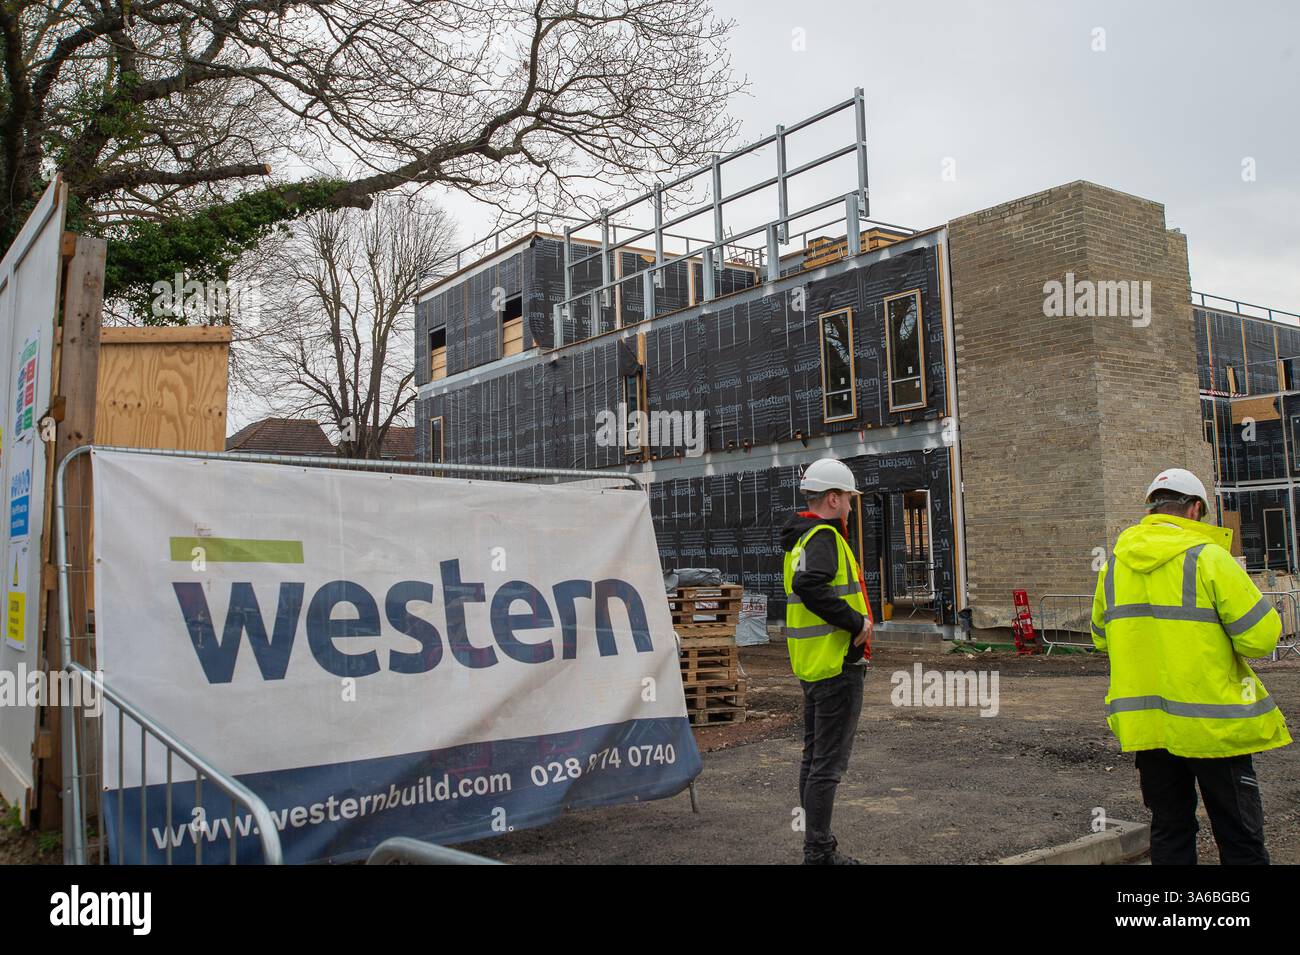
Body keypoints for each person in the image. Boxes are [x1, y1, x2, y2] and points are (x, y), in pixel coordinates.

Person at [1091, 467, 1292, 864]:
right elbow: (1261, 637)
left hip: (1151, 730)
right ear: (1195, 509)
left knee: (1170, 830)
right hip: (1214, 727)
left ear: (1152, 508)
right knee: (1240, 836)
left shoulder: (1114, 565)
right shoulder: (1209, 558)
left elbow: (1101, 636)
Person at [781, 457, 874, 865]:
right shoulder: (823, 537)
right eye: (849, 500)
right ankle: (819, 852)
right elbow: (809, 585)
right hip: (836, 665)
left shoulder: (801, 539)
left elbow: (804, 586)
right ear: (833, 498)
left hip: (814, 664)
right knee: (827, 767)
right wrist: (857, 623)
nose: (852, 508)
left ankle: (815, 846)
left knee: (814, 759)